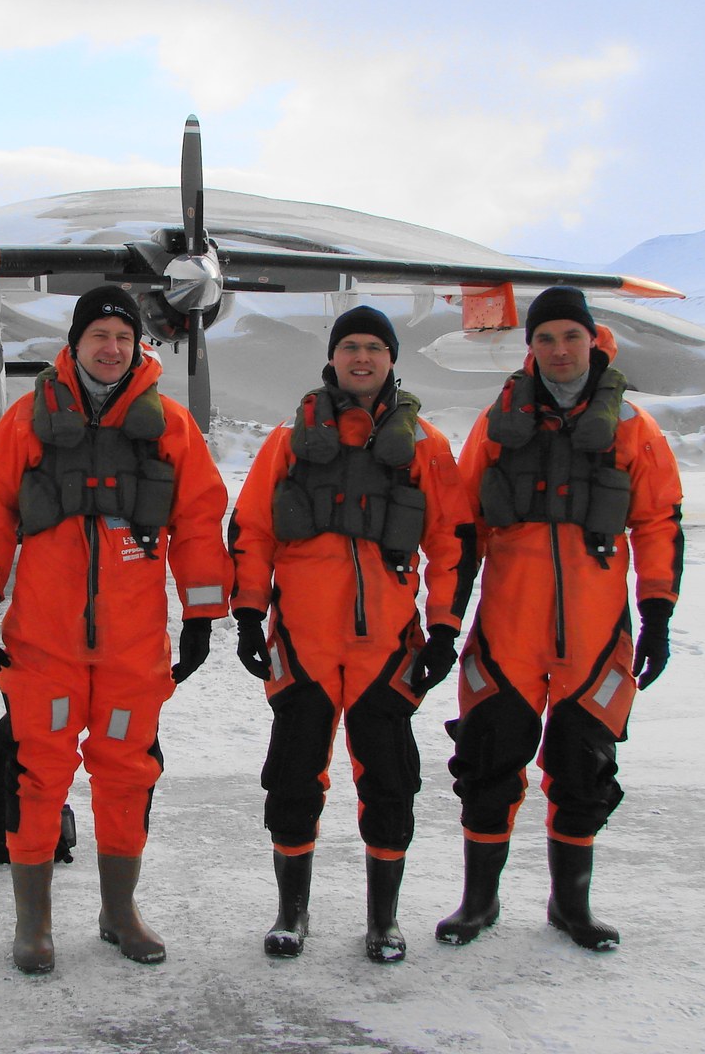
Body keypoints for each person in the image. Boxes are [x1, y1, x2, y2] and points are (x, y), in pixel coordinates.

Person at [0, 284, 232, 975]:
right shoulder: (26, 421)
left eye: (123, 337)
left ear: (140, 347)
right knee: (38, 775)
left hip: (133, 648)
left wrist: (201, 614)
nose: (111, 349)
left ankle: (119, 911)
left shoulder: (170, 427)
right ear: (73, 345)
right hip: (43, 642)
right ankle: (34, 924)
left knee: (126, 773)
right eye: (98, 336)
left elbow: (199, 521)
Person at [435, 286, 684, 951]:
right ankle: (478, 902)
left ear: (592, 340)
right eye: (545, 339)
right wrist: (446, 619)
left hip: (596, 635)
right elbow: (465, 528)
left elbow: (660, 522)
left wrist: (657, 614)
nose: (558, 350)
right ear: (530, 347)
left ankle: (570, 906)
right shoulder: (497, 423)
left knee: (583, 768)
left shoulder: (632, 426)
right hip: (507, 630)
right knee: (487, 762)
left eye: (570, 336)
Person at [227, 305, 476, 962]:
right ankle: (291, 914)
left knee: (390, 781)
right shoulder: (288, 440)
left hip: (386, 649)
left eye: (374, 348)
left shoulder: (426, 445)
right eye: (350, 348)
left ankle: (384, 921)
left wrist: (447, 628)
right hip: (303, 642)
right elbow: (250, 529)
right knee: (291, 780)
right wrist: (249, 613)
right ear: (332, 359)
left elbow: (452, 545)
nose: (361, 359)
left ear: (392, 360)